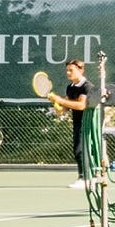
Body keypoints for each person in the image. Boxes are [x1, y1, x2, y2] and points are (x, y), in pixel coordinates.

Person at [44, 58, 98, 193]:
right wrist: (56, 103)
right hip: (78, 123)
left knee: (82, 150)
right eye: (67, 70)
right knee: (78, 149)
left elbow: (81, 105)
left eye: (71, 70)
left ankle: (86, 179)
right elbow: (63, 110)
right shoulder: (70, 88)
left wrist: (60, 100)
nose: (68, 73)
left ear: (81, 70)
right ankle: (88, 177)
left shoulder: (87, 86)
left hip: (89, 122)